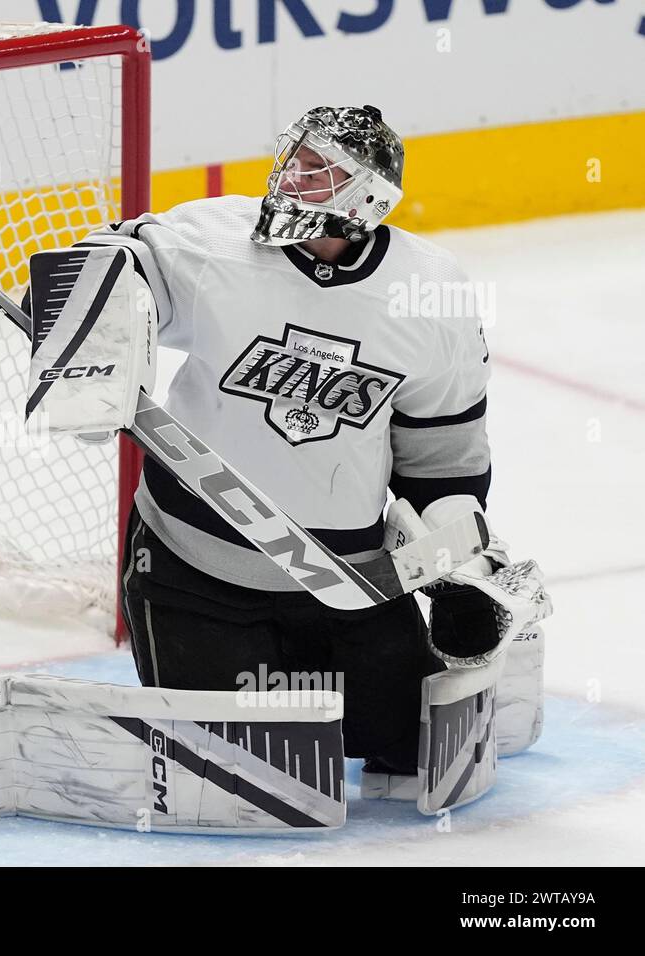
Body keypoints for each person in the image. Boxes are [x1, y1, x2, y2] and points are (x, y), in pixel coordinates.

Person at [82, 105, 494, 777]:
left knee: (411, 749)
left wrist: (459, 567)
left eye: (317, 171)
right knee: (232, 772)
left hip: (350, 587)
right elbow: (122, 263)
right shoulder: (212, 241)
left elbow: (442, 464)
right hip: (197, 572)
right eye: (293, 161)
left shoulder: (429, 294)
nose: (290, 180)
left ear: (365, 198)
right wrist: (94, 325)